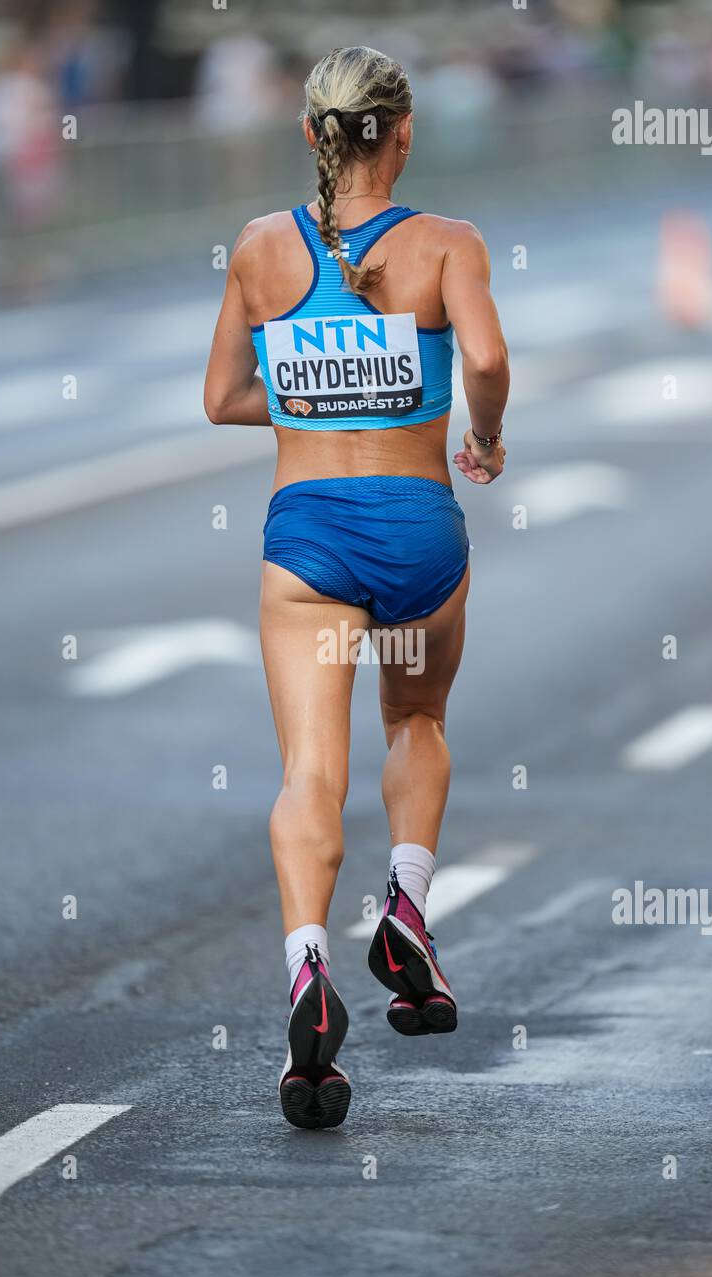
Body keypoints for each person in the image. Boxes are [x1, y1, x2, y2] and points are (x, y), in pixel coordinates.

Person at [204, 46, 509, 1129]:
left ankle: (304, 970)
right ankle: (409, 910)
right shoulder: (446, 245)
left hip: (309, 544)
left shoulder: (256, 249)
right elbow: (482, 355)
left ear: (310, 137)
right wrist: (482, 431)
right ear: (405, 131)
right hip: (419, 531)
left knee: (308, 772)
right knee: (416, 719)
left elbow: (221, 397)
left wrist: (309, 401)